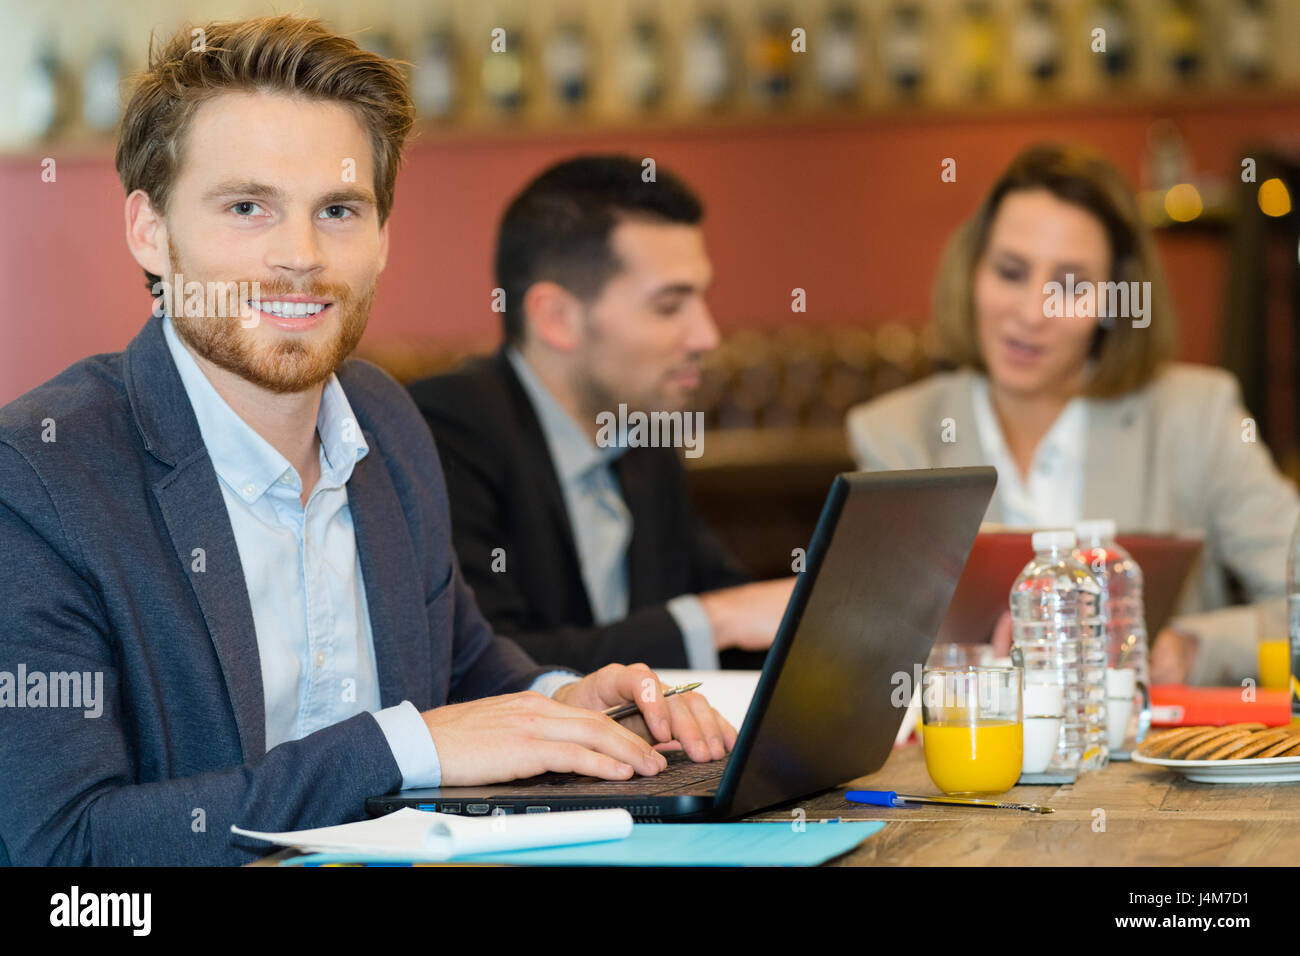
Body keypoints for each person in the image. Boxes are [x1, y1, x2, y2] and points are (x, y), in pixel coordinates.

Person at [0, 17, 735, 867]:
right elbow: (60, 854)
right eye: (247, 207)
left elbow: (462, 672)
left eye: (339, 210)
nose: (301, 257)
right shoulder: (38, 479)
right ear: (151, 232)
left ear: (383, 238)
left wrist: (568, 700)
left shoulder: (384, 419)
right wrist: (403, 751)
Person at [845, 143, 1300, 686]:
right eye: (1011, 272)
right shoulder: (895, 436)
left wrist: (1196, 646)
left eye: (1071, 287)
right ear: (972, 275)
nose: (1032, 313)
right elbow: (874, 643)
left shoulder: (1194, 417)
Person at [408, 156, 795, 674]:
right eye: (669, 305)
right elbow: (479, 665)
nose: (708, 336)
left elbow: (729, 598)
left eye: (701, 299)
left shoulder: (645, 431)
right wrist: (717, 619)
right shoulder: (444, 430)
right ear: (557, 318)